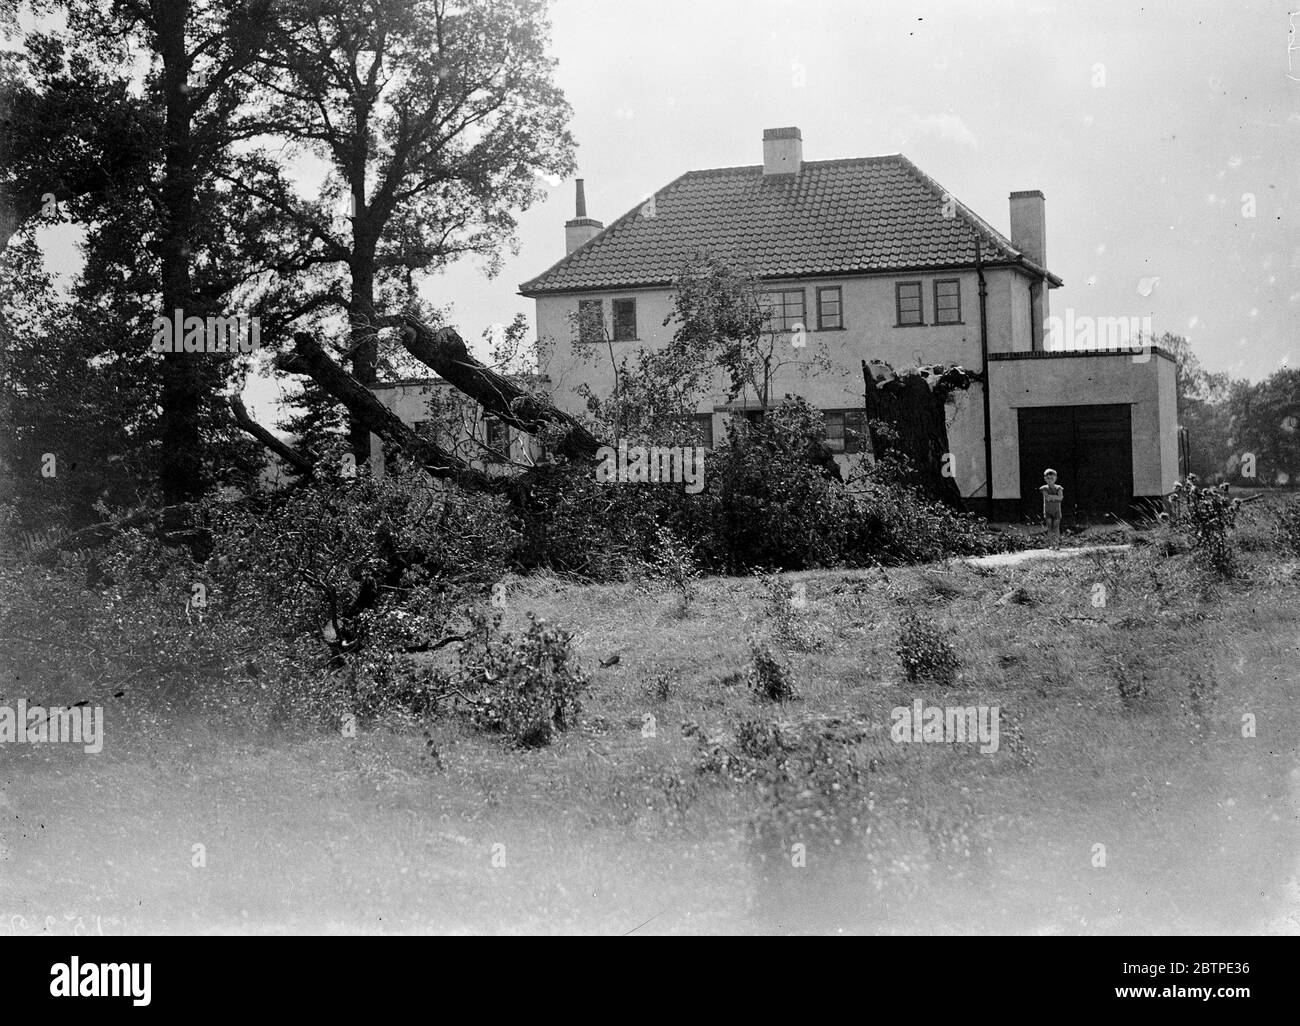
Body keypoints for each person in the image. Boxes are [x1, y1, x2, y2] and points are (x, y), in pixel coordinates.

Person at [1040, 469, 1064, 548]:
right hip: (1047, 510)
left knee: (1056, 526)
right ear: (1045, 479)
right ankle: (1050, 544)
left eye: (1052, 478)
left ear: (1055, 478)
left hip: (1057, 510)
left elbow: (1060, 498)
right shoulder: (1044, 488)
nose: (1050, 480)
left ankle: (1057, 544)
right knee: (1049, 527)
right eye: (1048, 478)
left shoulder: (1059, 488)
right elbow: (1047, 498)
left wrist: (1053, 497)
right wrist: (1055, 497)